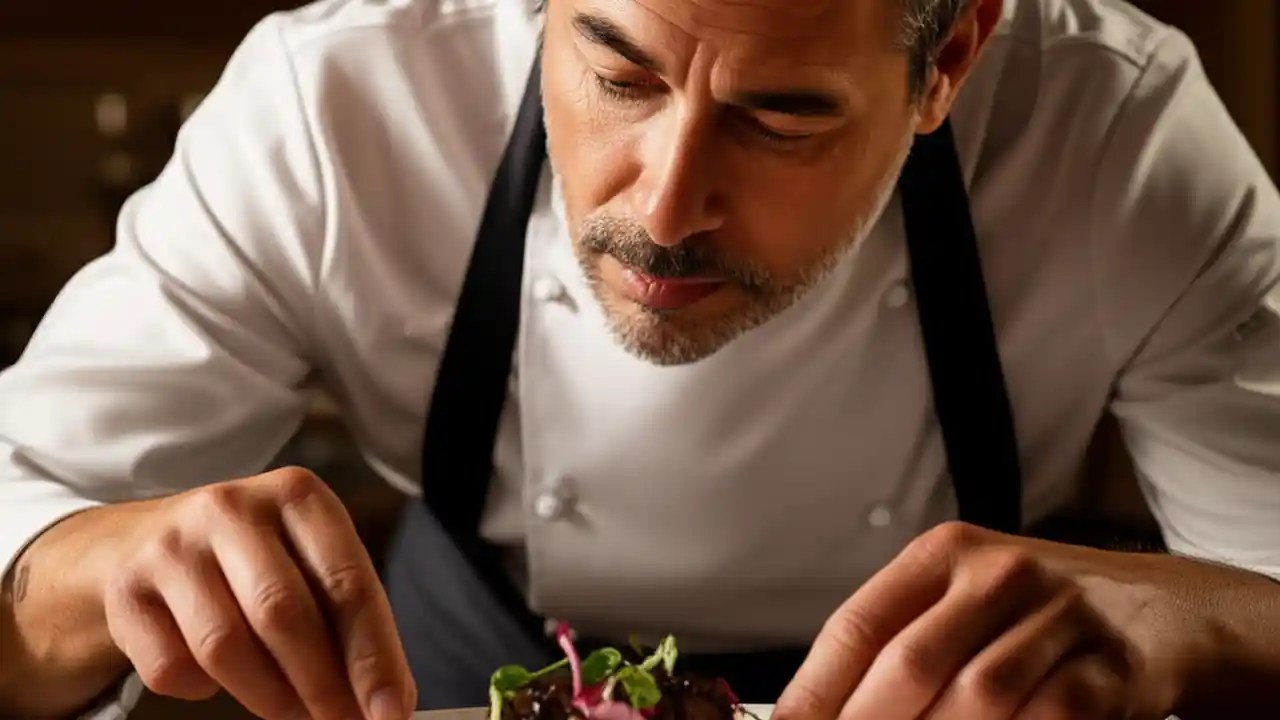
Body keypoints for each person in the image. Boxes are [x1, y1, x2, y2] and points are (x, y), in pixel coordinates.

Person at [1, 0, 1279, 718]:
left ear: (947, 60)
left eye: (780, 115)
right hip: (467, 666)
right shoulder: (331, 110)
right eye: (615, 74)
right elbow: (24, 520)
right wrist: (83, 572)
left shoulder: (1122, 135)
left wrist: (1192, 621)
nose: (665, 210)